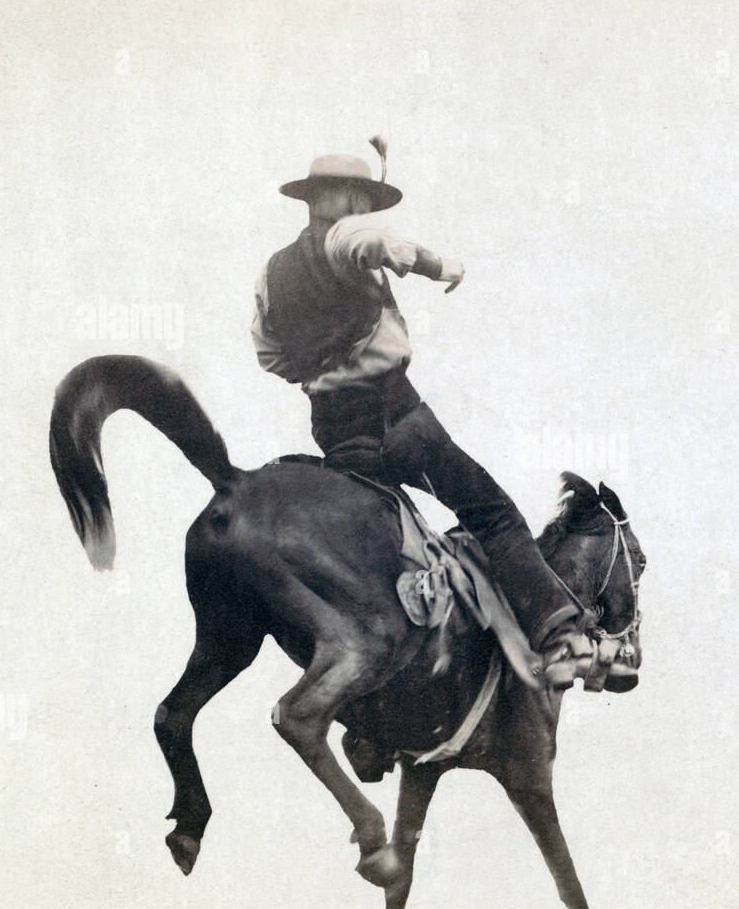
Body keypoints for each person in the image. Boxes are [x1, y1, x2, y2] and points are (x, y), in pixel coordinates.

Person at [251, 143, 595, 688]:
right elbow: (373, 244)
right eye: (357, 194)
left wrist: (319, 364)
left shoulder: (273, 272)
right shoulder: (346, 234)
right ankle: (560, 639)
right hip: (398, 414)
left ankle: (374, 713)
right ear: (330, 199)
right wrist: (441, 267)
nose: (362, 205)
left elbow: (269, 355)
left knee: (391, 558)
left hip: (337, 429)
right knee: (492, 515)